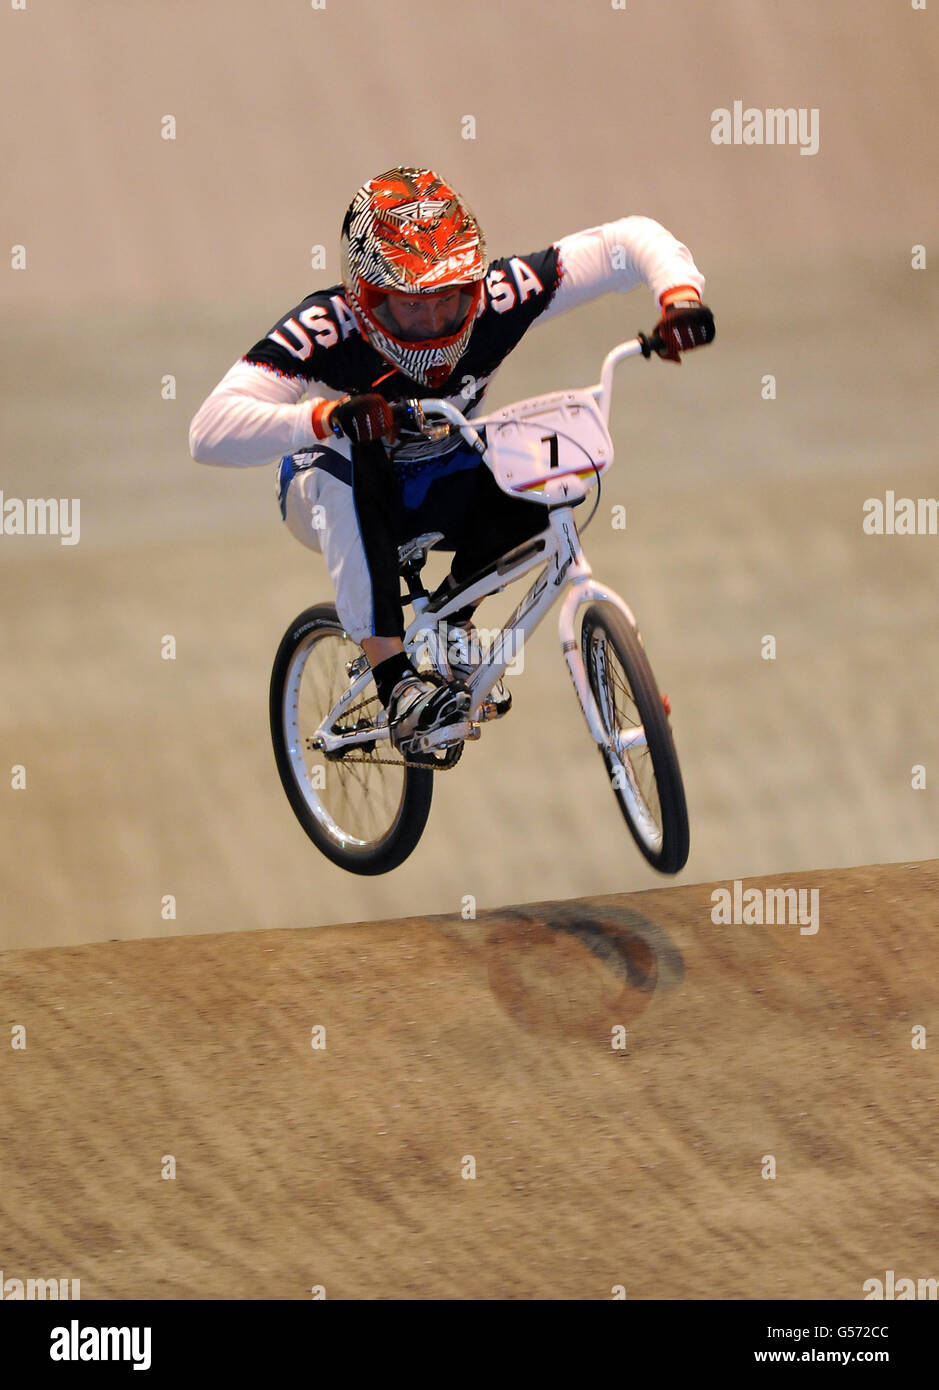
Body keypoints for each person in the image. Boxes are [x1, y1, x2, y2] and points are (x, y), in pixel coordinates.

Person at [189, 166, 714, 755]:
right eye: (412, 306)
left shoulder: (499, 295)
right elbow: (208, 431)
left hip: (442, 474)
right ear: (365, 296)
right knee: (351, 453)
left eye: (451, 297)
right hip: (331, 492)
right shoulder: (325, 328)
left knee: (543, 460)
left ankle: (455, 621)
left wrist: (678, 294)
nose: (436, 322)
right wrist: (322, 418)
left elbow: (625, 242)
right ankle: (394, 680)